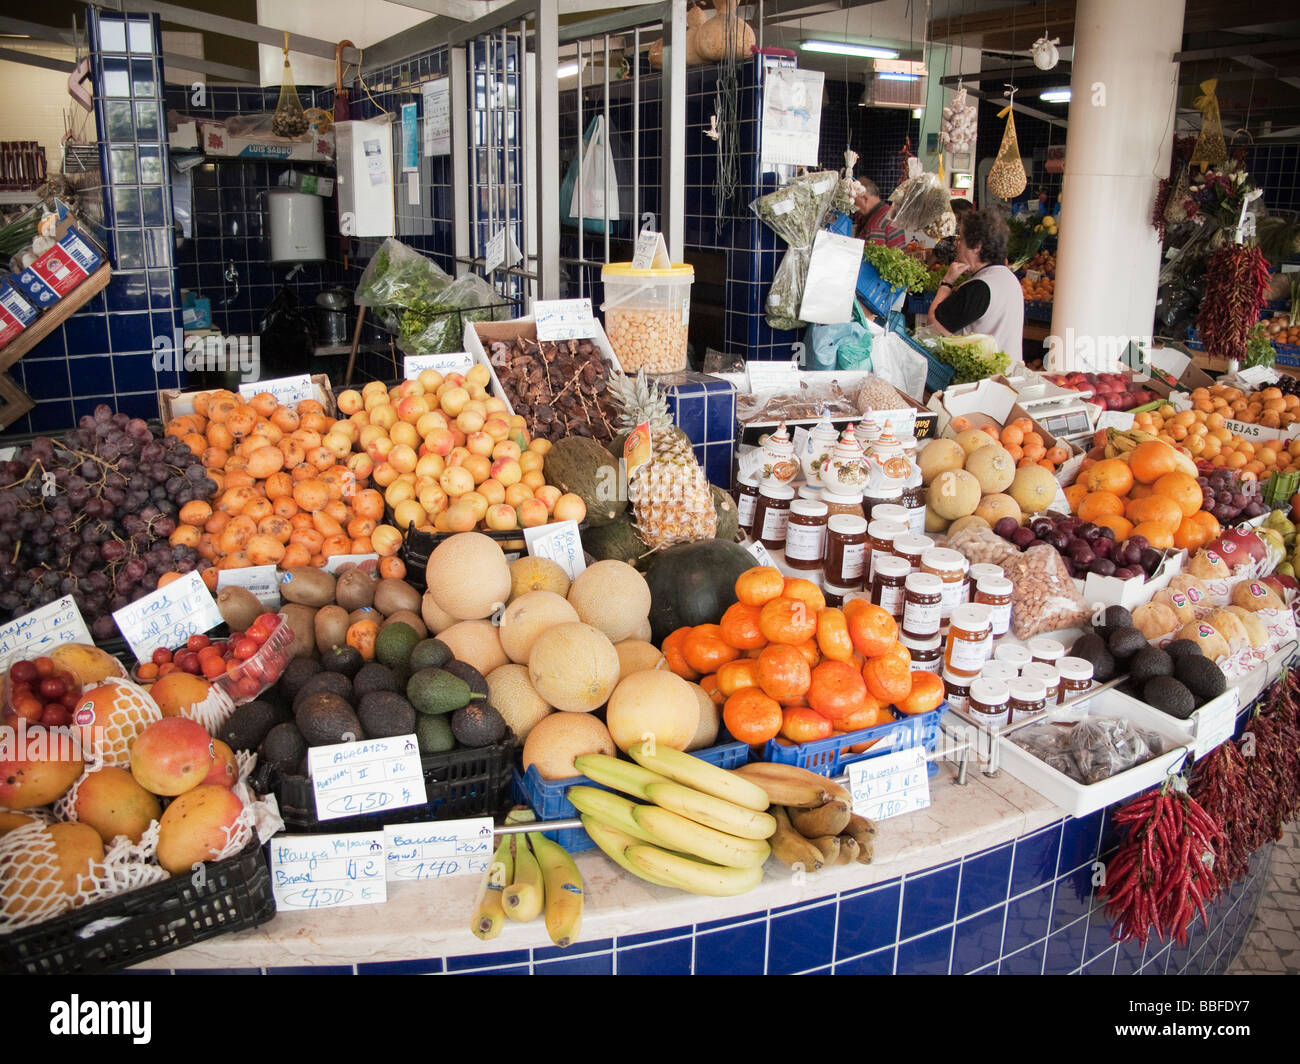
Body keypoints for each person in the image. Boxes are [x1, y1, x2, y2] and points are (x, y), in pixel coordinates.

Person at [928, 207, 1024, 362]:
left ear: (977, 246)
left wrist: (947, 283)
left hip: (982, 382)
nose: (957, 245)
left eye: (961, 239)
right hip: (1007, 376)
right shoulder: (1009, 278)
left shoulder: (979, 287)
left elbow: (933, 326)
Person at [851, 178, 905, 248]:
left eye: (855, 202)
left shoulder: (875, 225)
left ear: (864, 198)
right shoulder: (887, 210)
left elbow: (871, 257)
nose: (854, 208)